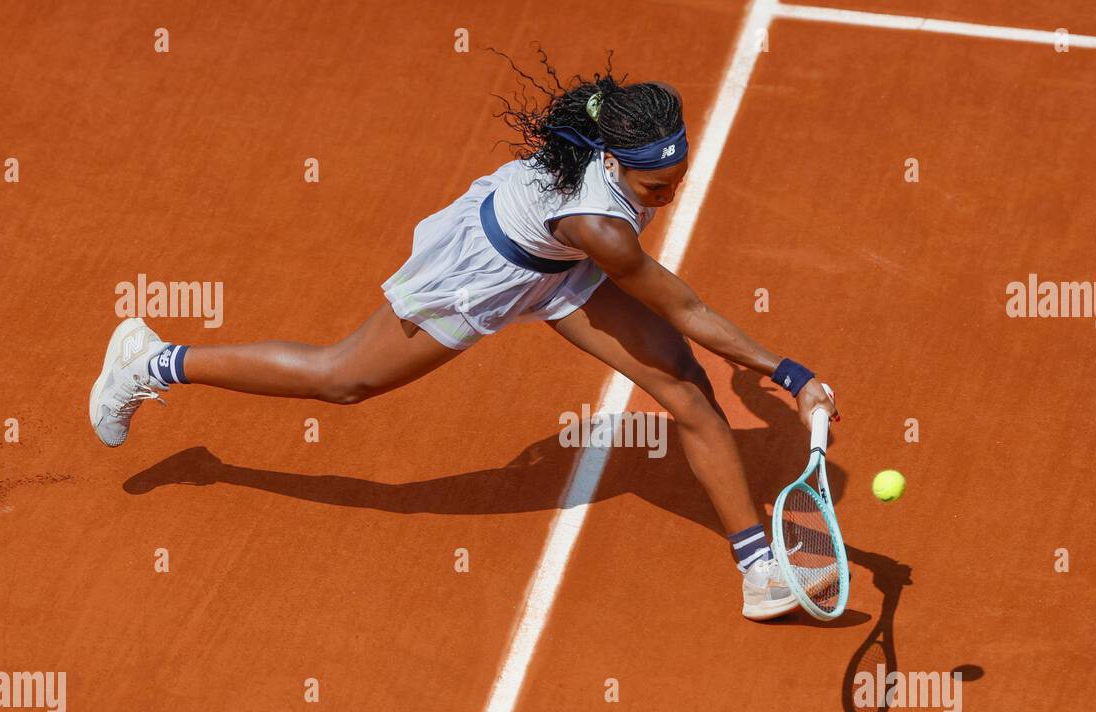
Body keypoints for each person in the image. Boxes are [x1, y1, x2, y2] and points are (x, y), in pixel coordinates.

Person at [89, 58, 839, 620]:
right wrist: (789, 371)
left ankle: (759, 567)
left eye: (678, 178)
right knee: (342, 380)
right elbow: (685, 307)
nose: (668, 197)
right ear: (614, 164)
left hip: (554, 265)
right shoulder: (601, 227)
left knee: (684, 387)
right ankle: (152, 361)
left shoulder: (621, 162)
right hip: (483, 274)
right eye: (655, 189)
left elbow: (685, 330)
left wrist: (762, 381)